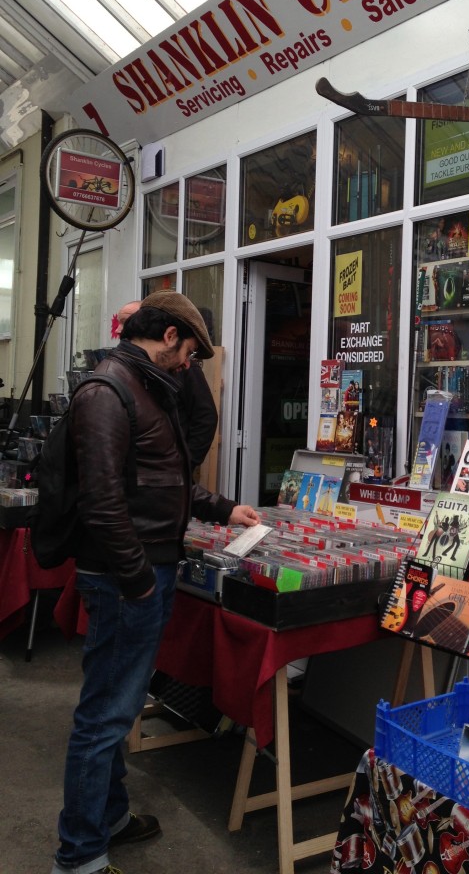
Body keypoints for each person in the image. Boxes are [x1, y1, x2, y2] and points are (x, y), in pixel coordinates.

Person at [52, 290, 259, 874]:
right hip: (126, 578)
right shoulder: (108, 390)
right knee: (104, 717)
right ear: (169, 336)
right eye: (189, 351)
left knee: (116, 709)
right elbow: (101, 501)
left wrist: (224, 509)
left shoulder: (149, 388)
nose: (190, 365)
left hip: (144, 571)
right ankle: (79, 856)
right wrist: (139, 580)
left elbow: (164, 480)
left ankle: (109, 816)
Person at [116, 300, 219, 470]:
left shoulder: (168, 369)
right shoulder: (113, 382)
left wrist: (185, 465)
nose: (119, 329)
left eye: (126, 322)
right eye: (188, 352)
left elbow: (205, 417)